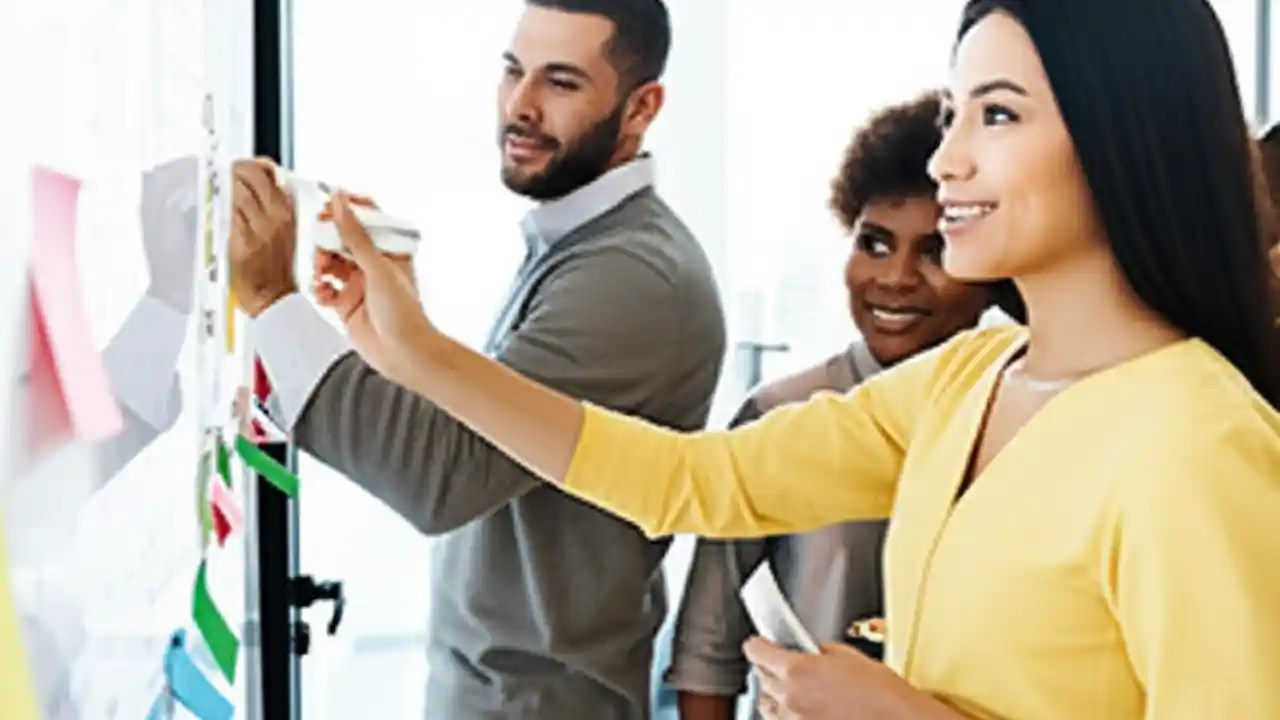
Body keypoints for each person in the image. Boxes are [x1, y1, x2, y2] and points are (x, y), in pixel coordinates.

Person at [304, 0, 1280, 717]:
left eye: (997, 114)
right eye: (953, 114)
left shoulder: (1193, 443)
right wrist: (419, 355)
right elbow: (691, 480)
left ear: (1123, 137)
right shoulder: (967, 382)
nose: (945, 161)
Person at [229, 1, 726, 718]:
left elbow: (440, 475)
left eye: (560, 82)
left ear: (641, 106)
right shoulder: (585, 246)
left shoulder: (631, 276)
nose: (520, 107)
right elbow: (496, 437)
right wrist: (396, 335)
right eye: (513, 70)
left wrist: (273, 301)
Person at [665, 91, 1005, 720]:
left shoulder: (1021, 425)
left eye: (933, 252)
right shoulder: (781, 415)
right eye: (873, 243)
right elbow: (707, 650)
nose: (896, 277)